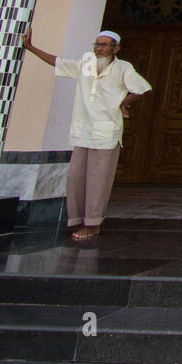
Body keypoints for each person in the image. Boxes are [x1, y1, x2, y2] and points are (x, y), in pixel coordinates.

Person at [22, 28, 151, 241]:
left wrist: (123, 103)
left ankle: (93, 224)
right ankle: (76, 220)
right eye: (97, 44)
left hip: (106, 132)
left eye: (105, 45)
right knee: (76, 178)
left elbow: (142, 88)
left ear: (115, 48)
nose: (100, 48)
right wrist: (31, 48)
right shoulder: (86, 65)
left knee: (98, 180)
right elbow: (57, 62)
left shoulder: (122, 68)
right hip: (83, 131)